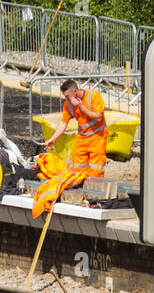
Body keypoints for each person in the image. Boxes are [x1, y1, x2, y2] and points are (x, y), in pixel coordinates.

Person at [31, 79, 108, 218]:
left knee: (95, 171)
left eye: (67, 96)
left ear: (75, 92)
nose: (66, 99)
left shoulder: (93, 96)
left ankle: (95, 200)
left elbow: (98, 117)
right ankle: (79, 197)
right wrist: (53, 139)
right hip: (82, 137)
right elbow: (63, 123)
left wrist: (82, 107)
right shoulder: (68, 105)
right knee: (77, 170)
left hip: (98, 137)